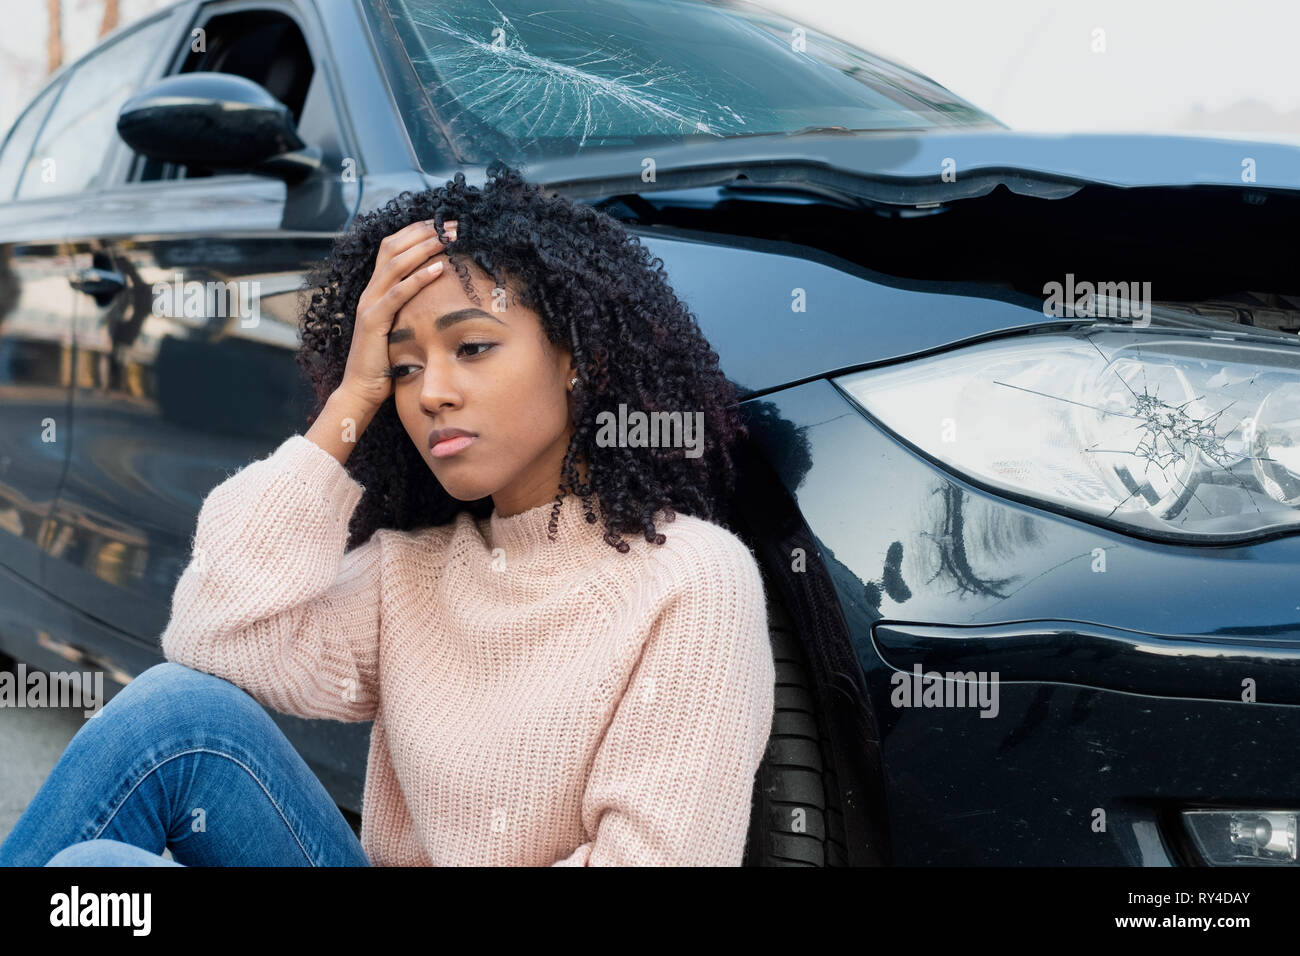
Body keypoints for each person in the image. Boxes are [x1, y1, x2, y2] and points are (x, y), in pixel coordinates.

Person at [0, 161, 775, 867]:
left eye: (471, 347)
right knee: (166, 726)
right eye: (403, 367)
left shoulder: (692, 582)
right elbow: (214, 636)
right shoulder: (412, 572)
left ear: (582, 358)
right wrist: (349, 401)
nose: (430, 391)